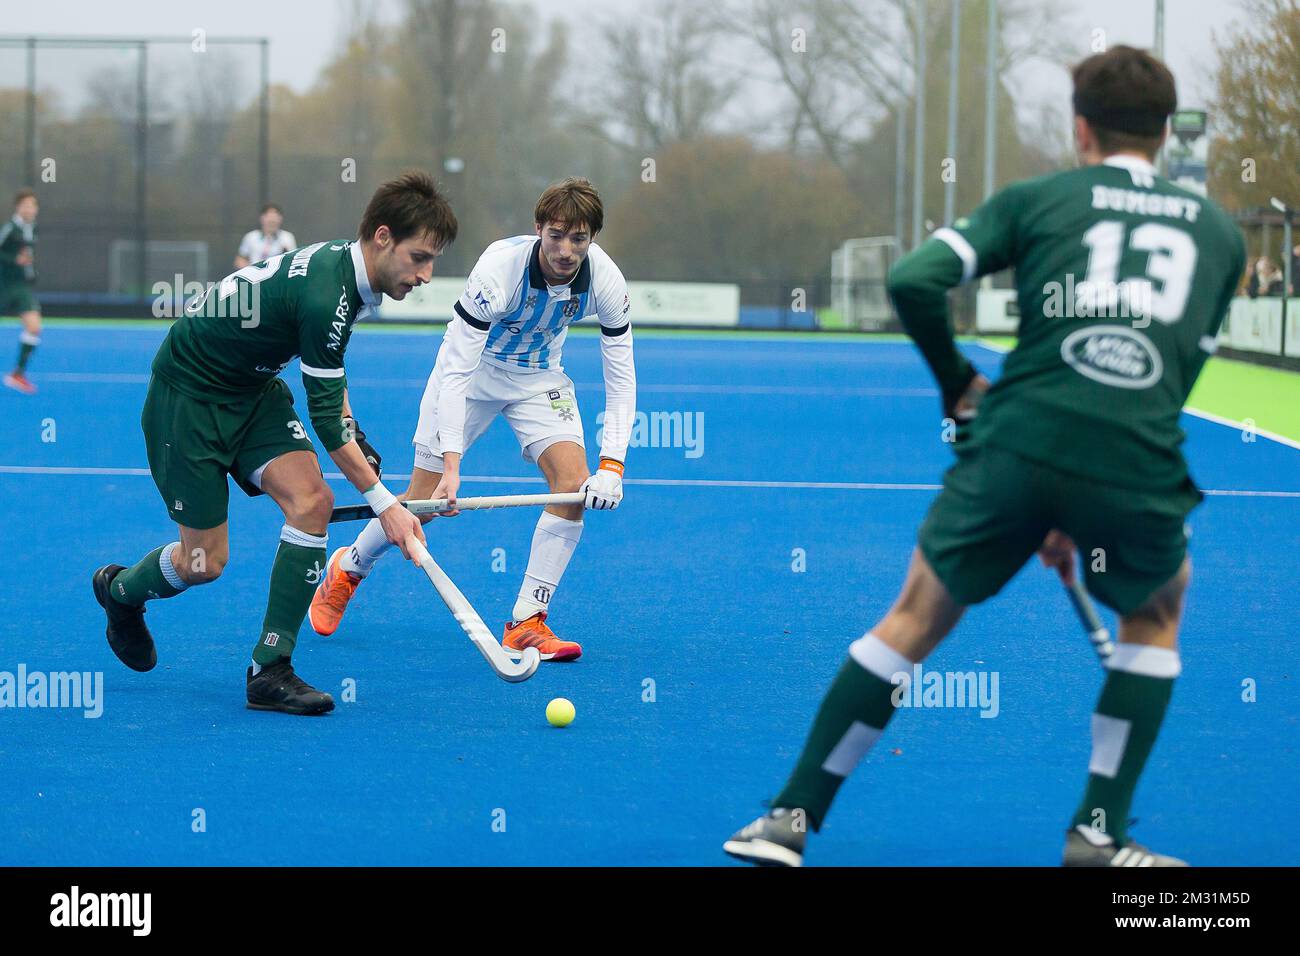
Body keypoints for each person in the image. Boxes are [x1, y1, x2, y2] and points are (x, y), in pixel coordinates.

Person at [724, 45, 1245, 867]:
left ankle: (789, 818)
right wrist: (1085, 501)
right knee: (1159, 608)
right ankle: (1099, 834)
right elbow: (1168, 377)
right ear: (1167, 133)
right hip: (1135, 454)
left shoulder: (1038, 198)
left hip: (1017, 440)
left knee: (917, 615)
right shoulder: (1221, 234)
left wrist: (960, 389)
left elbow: (915, 278)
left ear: (1080, 127)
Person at [93, 172, 457, 715]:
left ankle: (270, 668)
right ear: (383, 237)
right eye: (420, 258)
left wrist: (355, 429)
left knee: (314, 502)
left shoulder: (350, 277)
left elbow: (329, 371)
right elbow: (326, 423)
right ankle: (121, 593)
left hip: (251, 390)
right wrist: (387, 506)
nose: (426, 275)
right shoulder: (326, 292)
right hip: (188, 400)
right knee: (203, 562)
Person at [309, 177, 636, 662]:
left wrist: (612, 465)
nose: (566, 250)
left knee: (573, 486)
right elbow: (458, 371)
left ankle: (527, 621)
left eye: (579, 239)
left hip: (539, 378)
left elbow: (621, 377)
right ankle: (349, 567)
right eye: (557, 236)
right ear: (538, 229)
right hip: (473, 372)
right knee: (422, 502)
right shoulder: (498, 270)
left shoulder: (606, 282)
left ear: (593, 239)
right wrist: (453, 464)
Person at [1, 189, 42, 395]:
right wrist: (13, 261)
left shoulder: (32, 229)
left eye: (33, 205)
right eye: (26, 205)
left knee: (34, 327)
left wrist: (29, 272)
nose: (30, 209)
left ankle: (18, 374)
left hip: (20, 288)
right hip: (3, 285)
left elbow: (27, 256)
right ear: (18, 207)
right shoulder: (10, 229)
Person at [235, 203, 297, 269]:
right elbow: (240, 260)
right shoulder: (251, 237)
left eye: (274, 219)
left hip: (277, 275)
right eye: (269, 218)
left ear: (280, 219)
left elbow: (293, 260)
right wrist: (251, 270)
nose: (272, 221)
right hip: (254, 275)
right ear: (262, 218)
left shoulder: (287, 238)